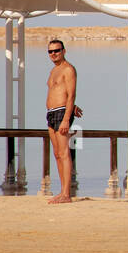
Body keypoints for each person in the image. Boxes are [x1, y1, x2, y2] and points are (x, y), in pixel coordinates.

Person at [44, 39, 80, 204]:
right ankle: (62, 190)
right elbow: (60, 91)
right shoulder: (53, 70)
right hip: (51, 113)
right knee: (57, 154)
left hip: (61, 113)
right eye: (50, 51)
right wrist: (73, 107)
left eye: (56, 50)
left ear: (64, 51)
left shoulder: (68, 69)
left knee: (64, 153)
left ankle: (67, 193)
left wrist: (67, 117)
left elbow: (71, 94)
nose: (53, 54)